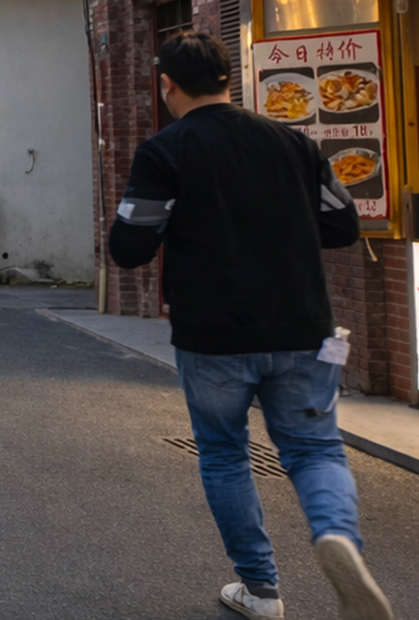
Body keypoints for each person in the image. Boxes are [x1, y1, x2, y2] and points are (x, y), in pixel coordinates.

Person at [110, 33, 389, 620]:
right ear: (227, 80)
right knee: (315, 450)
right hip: (303, 328)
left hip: (213, 335)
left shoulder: (165, 152)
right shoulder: (292, 141)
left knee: (223, 453)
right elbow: (341, 226)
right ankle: (338, 537)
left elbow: (129, 248)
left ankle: (260, 590)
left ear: (167, 86)